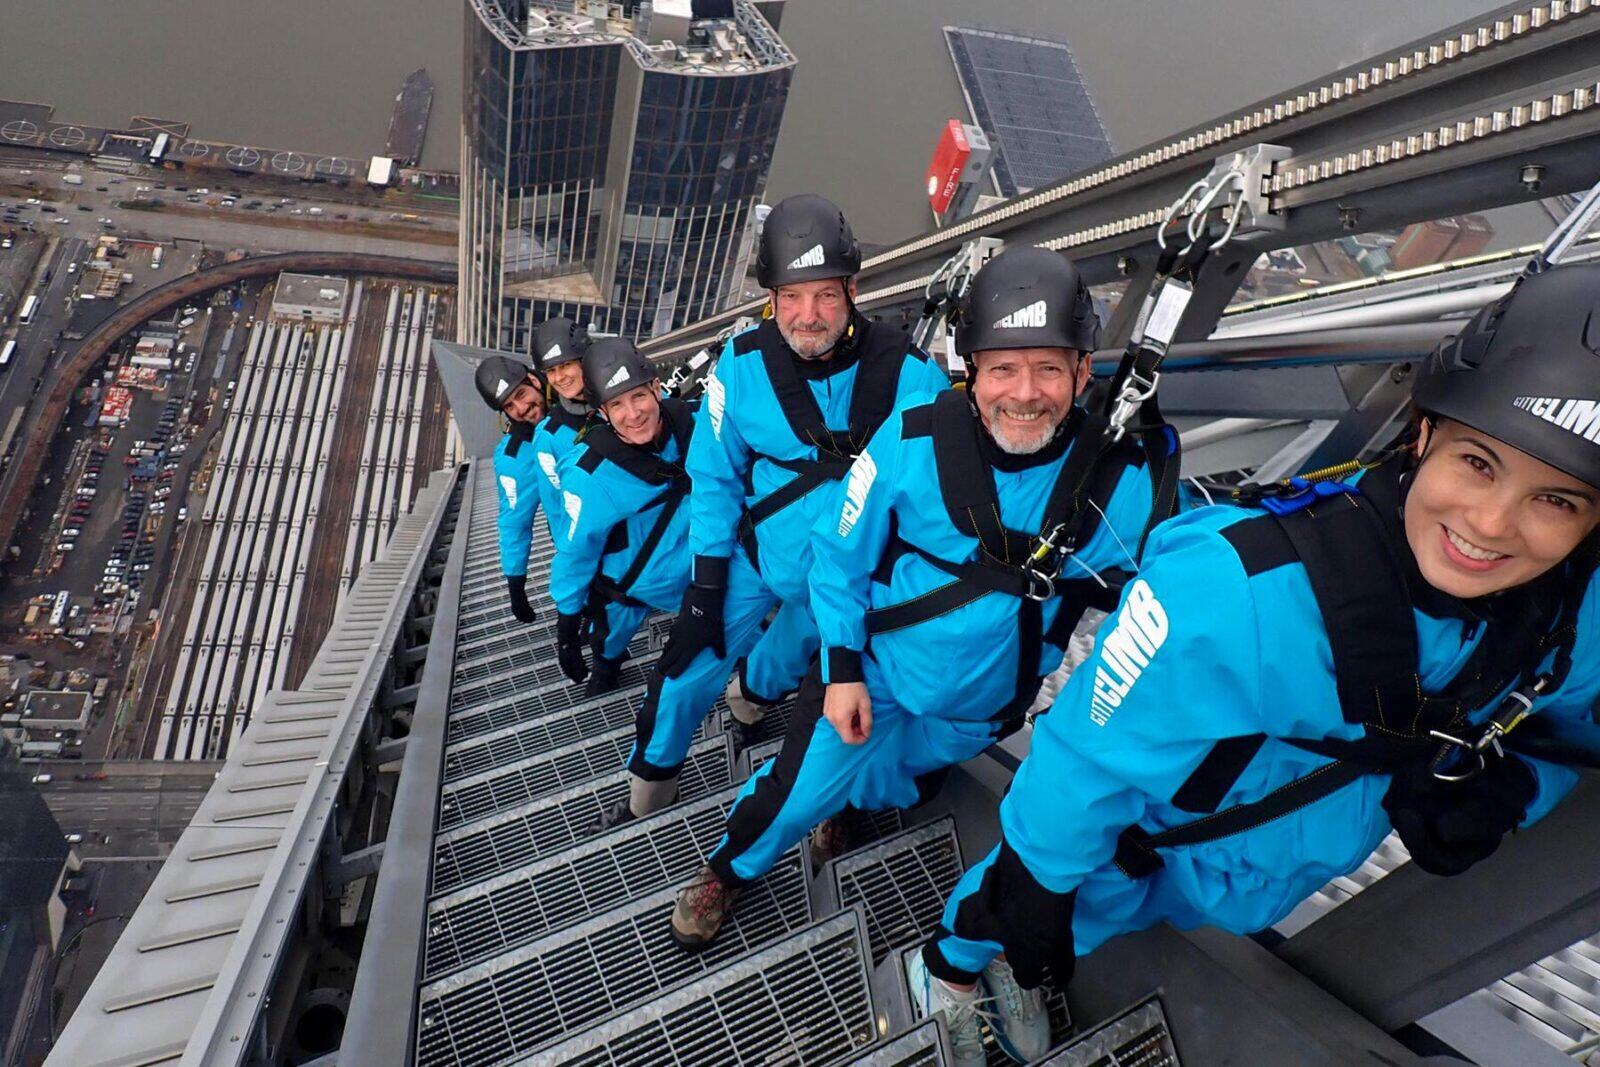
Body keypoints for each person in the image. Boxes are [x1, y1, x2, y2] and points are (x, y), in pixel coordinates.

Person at [912, 261, 1600, 1065]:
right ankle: (951, 967)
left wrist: (1517, 788)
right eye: (1478, 462)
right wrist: (1037, 880)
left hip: (1260, 865)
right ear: (1422, 434)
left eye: (1556, 500)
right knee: (1020, 905)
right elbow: (1086, 750)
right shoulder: (1234, 585)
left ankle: (1018, 956)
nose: (1492, 522)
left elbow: (1566, 724)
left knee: (1097, 918)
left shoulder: (1565, 617)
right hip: (1141, 836)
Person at [667, 247, 1180, 971]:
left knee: (895, 781)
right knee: (794, 792)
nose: (1024, 393)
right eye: (1002, 369)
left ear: (1083, 371)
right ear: (971, 372)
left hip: (981, 703)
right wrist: (842, 667)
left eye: (1047, 368)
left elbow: (1168, 610)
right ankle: (728, 870)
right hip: (874, 672)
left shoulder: (1118, 482)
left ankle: (852, 804)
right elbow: (839, 555)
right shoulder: (913, 440)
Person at [608, 193, 952, 827]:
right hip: (760, 556)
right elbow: (714, 478)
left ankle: (751, 702)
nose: (807, 315)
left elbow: (936, 498)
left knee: (794, 650)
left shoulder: (911, 378)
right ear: (771, 299)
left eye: (824, 295)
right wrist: (706, 585)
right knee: (680, 676)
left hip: (850, 580)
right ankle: (647, 796)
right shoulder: (741, 367)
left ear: (852, 291)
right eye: (791, 297)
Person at [548, 339, 694, 711]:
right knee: (608, 646)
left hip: (701, 575)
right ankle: (607, 668)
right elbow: (575, 551)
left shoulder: (692, 424)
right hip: (630, 589)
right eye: (616, 404)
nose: (633, 414)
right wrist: (567, 624)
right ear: (602, 413)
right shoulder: (589, 476)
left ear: (657, 388)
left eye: (638, 396)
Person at [476, 353, 548, 623]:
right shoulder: (515, 457)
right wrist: (516, 585)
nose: (521, 408)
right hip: (590, 551)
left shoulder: (578, 394)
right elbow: (514, 522)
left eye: (521, 394)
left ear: (534, 381)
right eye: (509, 405)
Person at [529, 316, 594, 531]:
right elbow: (557, 509)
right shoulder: (548, 436)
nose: (558, 378)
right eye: (551, 370)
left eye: (565, 365)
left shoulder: (622, 400)